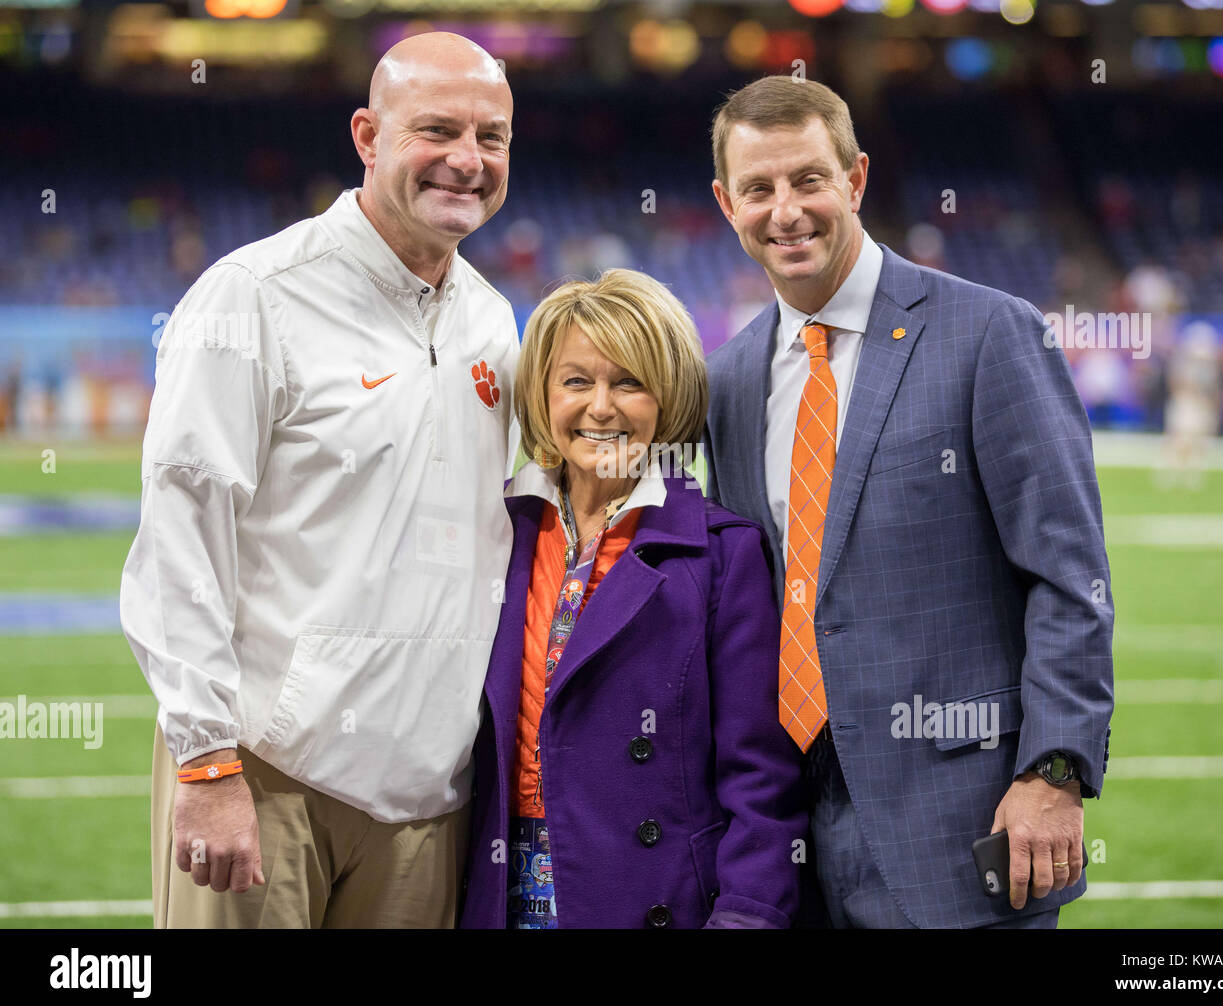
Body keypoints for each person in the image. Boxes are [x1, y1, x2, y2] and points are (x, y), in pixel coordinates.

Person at [120, 32, 520, 928]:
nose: (468, 160)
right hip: (266, 776)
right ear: (368, 136)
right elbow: (181, 535)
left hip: (426, 800)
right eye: (438, 130)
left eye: (491, 137)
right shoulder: (254, 296)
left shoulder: (493, 323)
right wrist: (206, 760)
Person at [702, 76, 1114, 929]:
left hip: (966, 825)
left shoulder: (989, 333)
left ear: (854, 179)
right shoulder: (731, 379)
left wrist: (1056, 770)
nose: (786, 210)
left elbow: (1070, 578)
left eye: (808, 179)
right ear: (725, 203)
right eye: (759, 188)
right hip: (793, 841)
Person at [459, 269, 806, 929]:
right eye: (576, 381)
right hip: (498, 898)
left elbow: (761, 782)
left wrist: (747, 918)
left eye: (629, 382)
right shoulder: (495, 527)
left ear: (668, 397)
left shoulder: (723, 552)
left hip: (655, 900)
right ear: (541, 393)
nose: (600, 407)